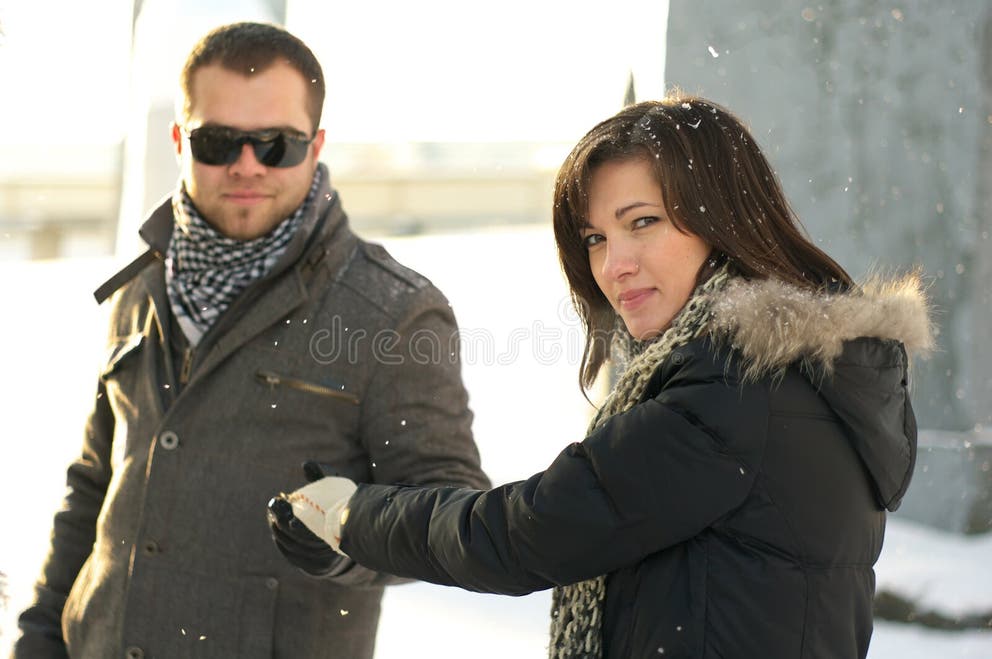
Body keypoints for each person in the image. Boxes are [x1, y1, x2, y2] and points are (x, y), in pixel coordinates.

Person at [269, 94, 934, 658]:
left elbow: (522, 534)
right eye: (594, 239)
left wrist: (356, 513)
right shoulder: (796, 378)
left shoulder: (740, 394)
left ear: (722, 219)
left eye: (641, 223)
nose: (614, 264)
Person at [14, 21, 489, 659]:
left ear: (315, 147)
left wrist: (349, 531)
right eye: (218, 141)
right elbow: (94, 484)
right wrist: (40, 636)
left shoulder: (392, 311)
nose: (245, 164)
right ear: (181, 140)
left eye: (276, 144)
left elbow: (452, 510)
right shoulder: (141, 286)